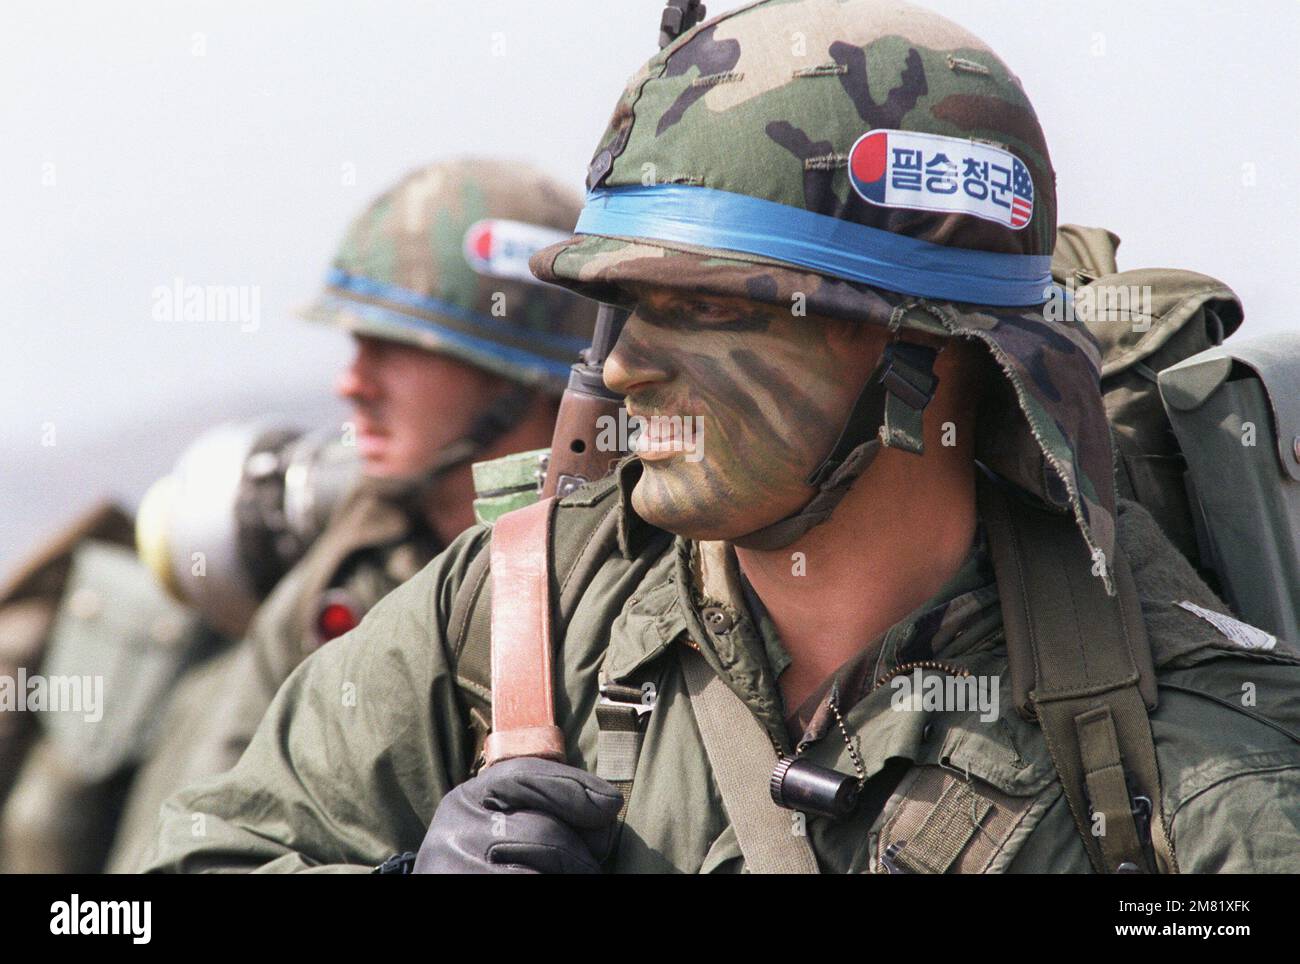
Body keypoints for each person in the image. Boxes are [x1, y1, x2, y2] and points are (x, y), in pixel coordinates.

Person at [144, 0, 1300, 874]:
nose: (631, 364)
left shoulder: (1182, 772)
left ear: (927, 354)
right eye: (628, 307)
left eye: (713, 310)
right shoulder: (524, 607)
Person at [110, 157, 596, 871]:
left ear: (520, 372)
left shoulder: (627, 572)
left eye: (395, 346)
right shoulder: (346, 573)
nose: (351, 381)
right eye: (355, 342)